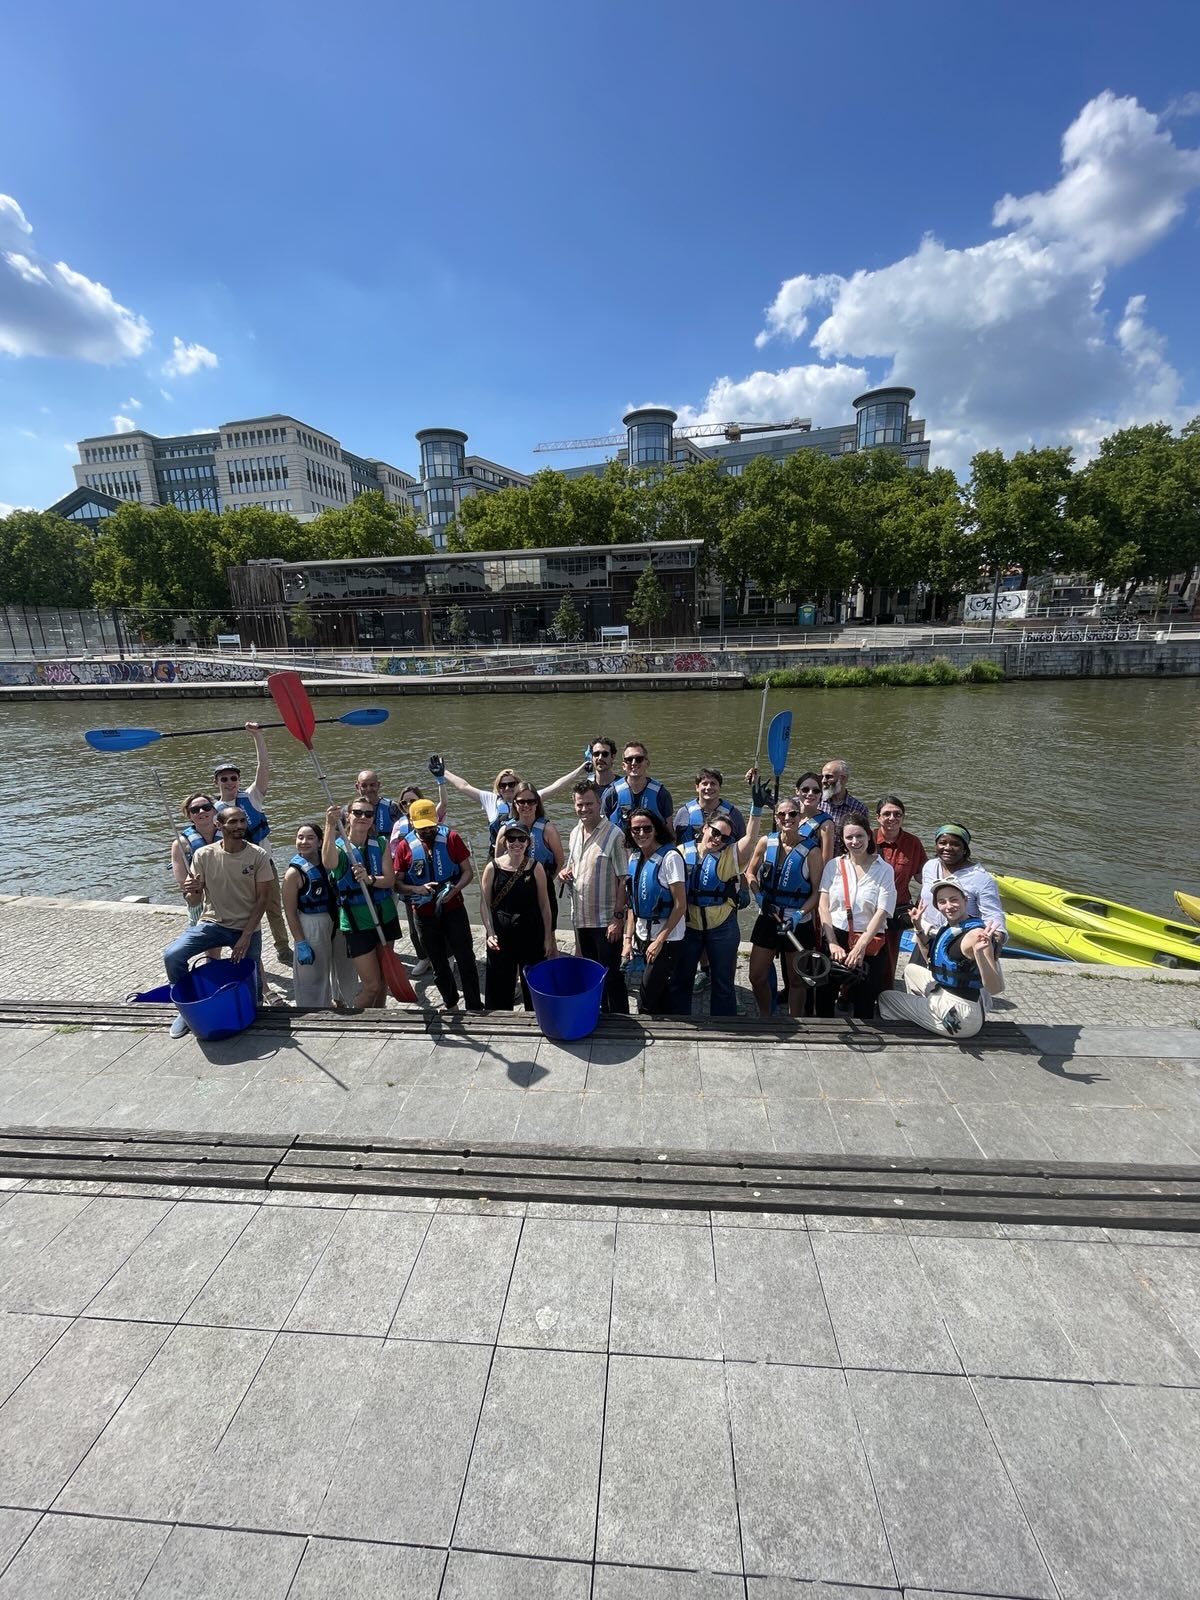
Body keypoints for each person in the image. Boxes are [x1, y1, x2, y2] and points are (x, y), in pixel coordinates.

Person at [162, 803, 273, 1038]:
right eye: (233, 822)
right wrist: (191, 890)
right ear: (219, 825)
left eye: (242, 821)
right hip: (213, 923)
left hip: (247, 926)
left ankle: (253, 1009)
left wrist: (246, 936)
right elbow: (194, 901)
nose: (239, 826)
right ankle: (185, 1009)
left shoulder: (258, 855)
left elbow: (263, 899)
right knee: (173, 955)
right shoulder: (203, 855)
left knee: (253, 987)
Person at [668, 783, 765, 1016]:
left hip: (722, 926)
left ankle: (724, 1023)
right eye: (715, 832)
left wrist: (756, 809)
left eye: (724, 837)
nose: (718, 839)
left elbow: (750, 839)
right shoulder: (681, 852)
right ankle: (679, 1021)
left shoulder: (729, 857)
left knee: (723, 982)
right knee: (681, 979)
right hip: (689, 927)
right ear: (705, 828)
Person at [880, 879, 1005, 1038]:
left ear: (965, 900)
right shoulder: (954, 927)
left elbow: (994, 988)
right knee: (911, 970)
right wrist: (918, 926)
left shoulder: (977, 936)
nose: (949, 906)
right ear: (937, 905)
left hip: (960, 1017)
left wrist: (981, 954)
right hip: (947, 997)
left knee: (885, 998)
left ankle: (922, 1028)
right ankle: (925, 1013)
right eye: (942, 901)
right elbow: (930, 960)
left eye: (954, 899)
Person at [391, 798, 483, 1013]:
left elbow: (467, 872)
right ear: (412, 823)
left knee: (466, 958)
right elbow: (397, 883)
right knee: (438, 964)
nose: (427, 831)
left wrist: (455, 889)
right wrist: (416, 889)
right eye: (422, 828)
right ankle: (451, 1003)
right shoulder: (405, 846)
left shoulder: (451, 838)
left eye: (431, 826)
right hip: (424, 913)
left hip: (453, 908)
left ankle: (475, 1005)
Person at [211, 726, 292, 961]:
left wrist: (257, 736)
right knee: (241, 914)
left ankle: (282, 947)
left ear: (239, 780)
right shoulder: (214, 811)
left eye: (233, 778)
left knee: (274, 908)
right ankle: (241, 950)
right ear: (216, 782)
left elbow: (263, 766)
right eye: (224, 779)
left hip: (264, 864)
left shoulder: (253, 797)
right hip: (237, 869)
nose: (229, 782)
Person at [746, 796, 822, 1016]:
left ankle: (794, 1018)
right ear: (775, 817)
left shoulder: (812, 851)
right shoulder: (765, 842)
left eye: (792, 814)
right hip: (769, 916)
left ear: (800, 816)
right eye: (782, 814)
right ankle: (766, 1016)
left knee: (796, 979)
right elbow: (750, 873)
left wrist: (799, 914)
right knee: (756, 976)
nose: (787, 818)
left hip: (797, 922)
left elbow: (817, 892)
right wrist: (758, 895)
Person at [321, 798, 399, 1011]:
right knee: (371, 986)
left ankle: (380, 1017)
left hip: (385, 916)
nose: (363, 817)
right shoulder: (340, 847)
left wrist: (369, 879)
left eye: (368, 814)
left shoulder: (380, 843)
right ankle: (355, 1020)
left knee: (383, 978)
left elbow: (389, 880)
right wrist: (329, 825)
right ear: (348, 816)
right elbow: (328, 863)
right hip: (357, 922)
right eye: (357, 812)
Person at [559, 779, 629, 1014]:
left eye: (589, 804)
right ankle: (599, 1013)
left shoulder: (615, 835)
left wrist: (617, 918)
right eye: (579, 804)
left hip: (605, 920)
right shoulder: (574, 833)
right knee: (591, 973)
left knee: (611, 975)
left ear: (599, 803)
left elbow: (623, 879)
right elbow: (574, 865)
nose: (584, 809)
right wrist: (566, 872)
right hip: (581, 918)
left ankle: (620, 1019)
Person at [815, 817, 896, 1019]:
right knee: (824, 998)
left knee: (864, 1002)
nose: (855, 841)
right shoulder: (834, 865)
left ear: (869, 835)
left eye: (859, 835)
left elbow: (882, 911)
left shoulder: (884, 869)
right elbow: (823, 905)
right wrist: (832, 942)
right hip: (836, 936)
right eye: (849, 837)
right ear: (843, 840)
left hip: (869, 940)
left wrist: (860, 947)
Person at [479, 819, 556, 1010]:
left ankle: (537, 1017)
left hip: (531, 933)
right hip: (501, 934)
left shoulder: (536, 867)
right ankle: (499, 1019)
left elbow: (544, 905)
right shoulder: (492, 868)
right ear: (505, 842)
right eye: (511, 839)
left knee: (534, 983)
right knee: (499, 985)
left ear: (528, 842)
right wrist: (490, 932)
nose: (516, 843)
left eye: (521, 839)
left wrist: (548, 938)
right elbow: (485, 904)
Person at [282, 822, 358, 1010]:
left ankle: (346, 1001)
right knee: (313, 973)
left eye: (310, 838)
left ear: (320, 842)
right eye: (300, 837)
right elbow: (290, 912)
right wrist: (300, 942)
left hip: (338, 919)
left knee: (345, 965)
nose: (304, 842)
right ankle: (314, 1008)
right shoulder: (293, 873)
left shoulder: (331, 862)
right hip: (312, 922)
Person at [622, 807, 687, 1016]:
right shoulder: (634, 858)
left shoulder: (670, 858)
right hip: (643, 935)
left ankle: (650, 1029)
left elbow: (680, 905)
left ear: (656, 829)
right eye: (636, 829)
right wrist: (627, 940)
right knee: (660, 992)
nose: (641, 833)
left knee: (646, 998)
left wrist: (659, 941)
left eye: (647, 828)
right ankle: (668, 1026)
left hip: (666, 940)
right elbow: (632, 904)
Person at [434, 754, 587, 833]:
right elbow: (463, 786)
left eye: (511, 784)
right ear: (498, 787)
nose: (507, 788)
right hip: (498, 857)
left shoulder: (529, 798)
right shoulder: (490, 800)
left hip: (524, 853)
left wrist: (581, 770)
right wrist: (443, 773)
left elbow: (556, 786)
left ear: (518, 784)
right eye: (503, 785)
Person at [388, 784, 445, 978]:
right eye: (404, 803)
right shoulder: (399, 826)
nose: (408, 805)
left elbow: (443, 804)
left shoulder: (434, 819)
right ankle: (424, 957)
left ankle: (447, 956)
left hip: (436, 880)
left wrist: (440, 781)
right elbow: (393, 853)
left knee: (442, 922)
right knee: (415, 928)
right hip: (411, 883)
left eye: (412, 801)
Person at [916, 824, 1007, 942]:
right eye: (942, 843)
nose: (948, 848)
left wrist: (995, 937)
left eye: (955, 844)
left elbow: (993, 914)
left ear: (965, 849)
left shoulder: (980, 878)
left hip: (959, 939)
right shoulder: (930, 866)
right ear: (936, 845)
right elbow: (923, 897)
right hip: (926, 934)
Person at [874, 795, 928, 981]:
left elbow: (923, 878)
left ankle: (885, 990)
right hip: (868, 909)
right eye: (886, 814)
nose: (892, 818)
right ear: (878, 817)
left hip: (896, 911)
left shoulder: (913, 843)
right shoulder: (867, 838)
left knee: (889, 958)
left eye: (897, 814)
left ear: (903, 817)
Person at [507, 785, 565, 927]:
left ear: (537, 803)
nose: (526, 805)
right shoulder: (506, 829)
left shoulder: (548, 829)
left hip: (542, 889)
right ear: (515, 803)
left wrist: (546, 880)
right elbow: (498, 862)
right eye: (521, 801)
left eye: (531, 801)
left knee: (547, 933)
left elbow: (560, 861)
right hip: (515, 890)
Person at [603, 740, 674, 833]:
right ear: (623, 765)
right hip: (620, 842)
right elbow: (601, 828)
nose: (634, 763)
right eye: (629, 759)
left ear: (647, 763)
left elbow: (670, 832)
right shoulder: (612, 794)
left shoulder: (661, 794)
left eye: (639, 759)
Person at [172, 793, 219, 930]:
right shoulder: (180, 844)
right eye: (195, 810)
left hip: (228, 897)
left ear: (214, 810)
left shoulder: (229, 834)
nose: (202, 811)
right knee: (203, 937)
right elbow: (182, 881)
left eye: (206, 807)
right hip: (199, 899)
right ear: (189, 815)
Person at [673, 768, 747, 846]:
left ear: (719, 787)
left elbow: (744, 844)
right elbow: (673, 840)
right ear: (697, 787)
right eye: (705, 783)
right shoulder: (683, 813)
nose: (708, 787)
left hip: (723, 854)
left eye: (713, 784)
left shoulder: (734, 814)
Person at [819, 759, 869, 852]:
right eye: (822, 777)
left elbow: (863, 839)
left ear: (842, 778)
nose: (823, 781)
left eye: (828, 777)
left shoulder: (858, 808)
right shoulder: (816, 803)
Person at [343, 770, 402, 838]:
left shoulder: (392, 807)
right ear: (357, 787)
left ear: (378, 785)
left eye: (372, 785)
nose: (368, 789)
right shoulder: (347, 811)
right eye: (364, 786)